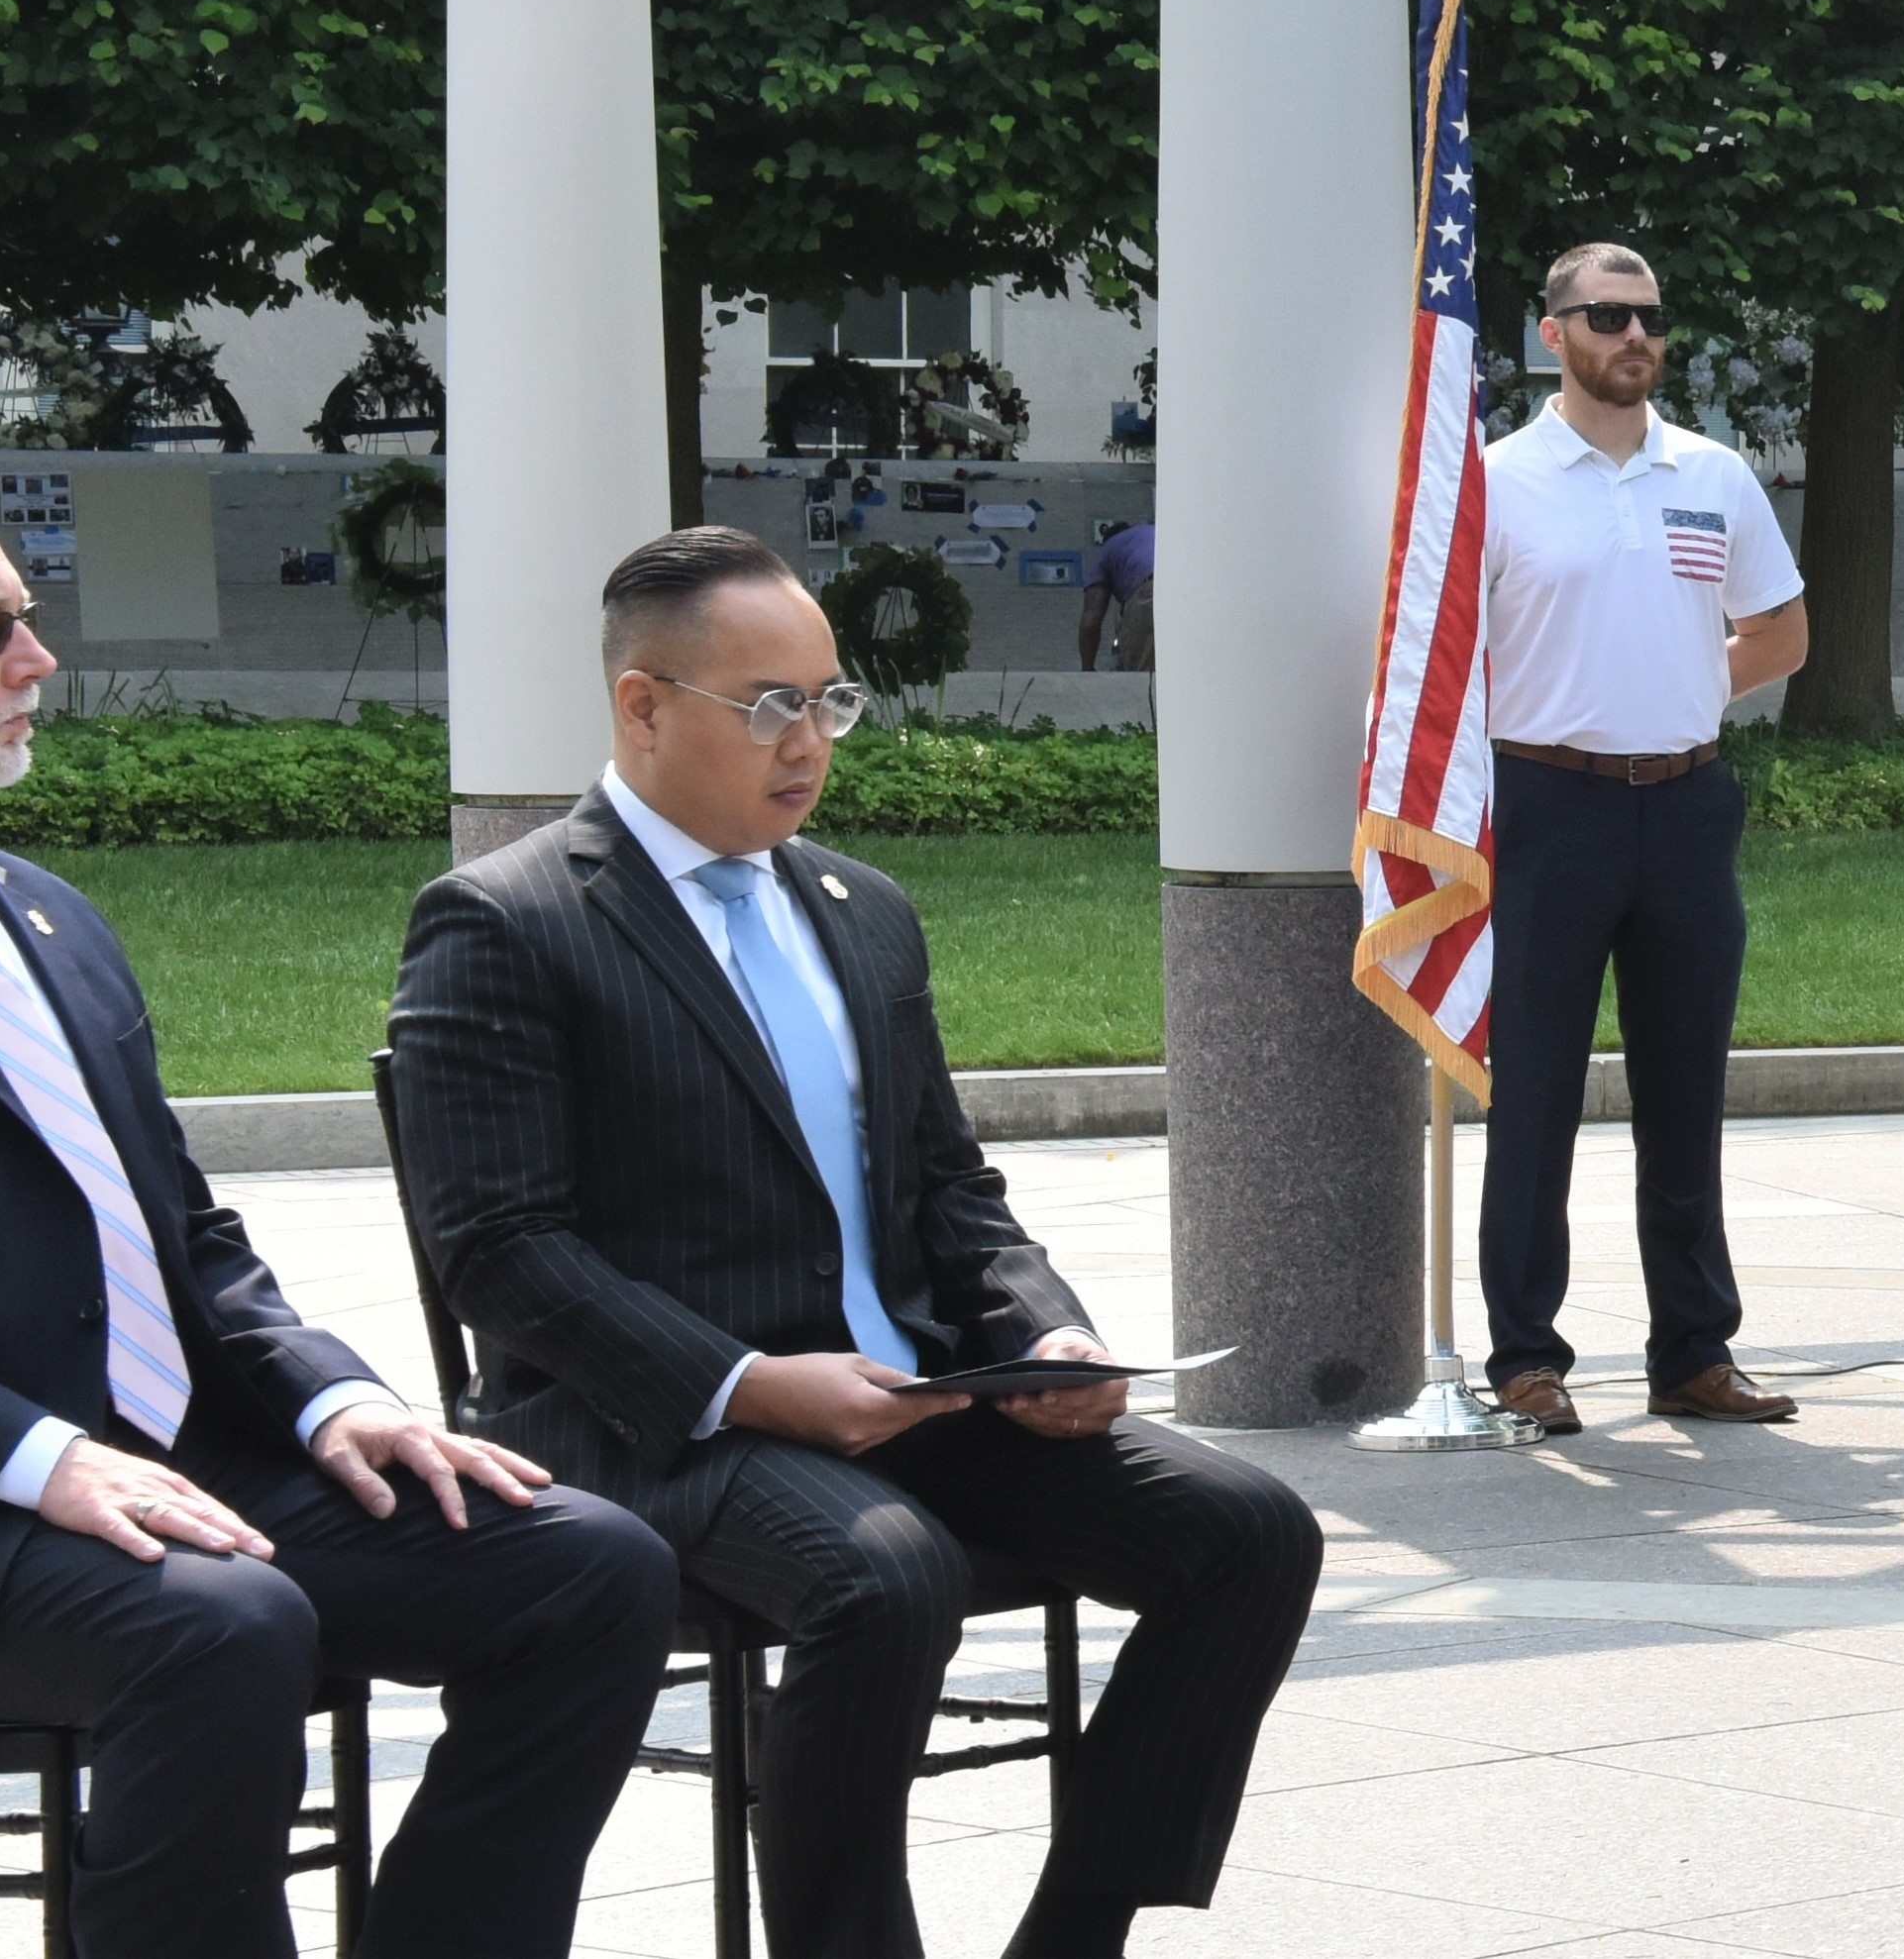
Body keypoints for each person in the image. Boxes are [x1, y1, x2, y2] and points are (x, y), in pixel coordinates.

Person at [386, 524, 1322, 1959]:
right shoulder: (506, 922)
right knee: (886, 1574)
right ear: (640, 704)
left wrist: (1040, 1332)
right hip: (659, 1424)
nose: (810, 738)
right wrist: (754, 1385)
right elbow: (503, 1252)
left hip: (919, 1397)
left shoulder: (859, 909)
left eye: (830, 698)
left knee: (1247, 1531)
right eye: (767, 704)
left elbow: (950, 1189)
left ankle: (1076, 1934)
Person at [0, 466, 675, 1959]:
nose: (40, 659)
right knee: (222, 1627)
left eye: (28, 617)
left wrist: (328, 1395)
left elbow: (184, 1233)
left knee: (585, 1565)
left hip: (169, 1470)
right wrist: (35, 1458)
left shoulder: (42, 913)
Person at [1478, 244, 1812, 1436]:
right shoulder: (1495, 480)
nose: (1635, 336)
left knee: (1686, 1089)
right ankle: (1524, 1353)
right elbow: (1445, 665)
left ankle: (1693, 1350)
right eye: (1608, 316)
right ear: (1551, 333)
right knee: (1535, 1094)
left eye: (1651, 317)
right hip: (1545, 807)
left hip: (1683, 806)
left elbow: (1779, 635)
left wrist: (1676, 688)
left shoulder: (1711, 475)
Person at [1077, 517, 1154, 671]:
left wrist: (1087, 669)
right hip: (1194, 589)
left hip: (1149, 595)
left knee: (1143, 683)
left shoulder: (1107, 550)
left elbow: (1090, 622)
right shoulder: (1156, 531)